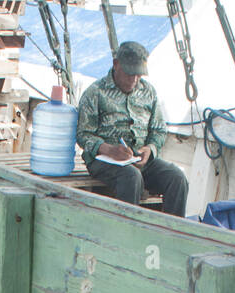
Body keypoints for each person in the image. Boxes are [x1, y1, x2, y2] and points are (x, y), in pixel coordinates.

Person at [75, 40, 188, 216]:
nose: (134, 80)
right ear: (116, 64)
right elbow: (83, 135)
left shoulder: (148, 92)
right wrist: (109, 150)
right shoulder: (95, 92)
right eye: (129, 74)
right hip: (103, 160)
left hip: (137, 159)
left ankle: (172, 235)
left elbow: (158, 130)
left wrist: (149, 150)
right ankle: (128, 234)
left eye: (138, 75)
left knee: (177, 178)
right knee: (131, 177)